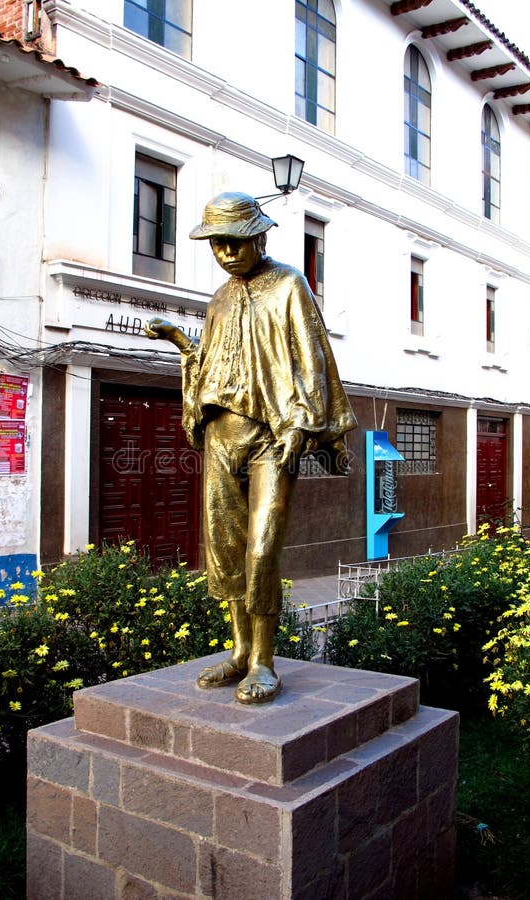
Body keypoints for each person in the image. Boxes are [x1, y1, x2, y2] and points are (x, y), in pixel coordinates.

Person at [145, 192, 356, 703]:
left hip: (272, 440)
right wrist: (179, 341)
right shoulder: (219, 299)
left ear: (259, 235)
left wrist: (302, 424)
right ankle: (240, 652)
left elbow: (311, 357)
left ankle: (264, 661)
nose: (227, 252)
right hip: (221, 436)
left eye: (236, 241)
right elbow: (215, 365)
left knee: (262, 551)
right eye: (218, 243)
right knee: (226, 553)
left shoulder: (289, 284)